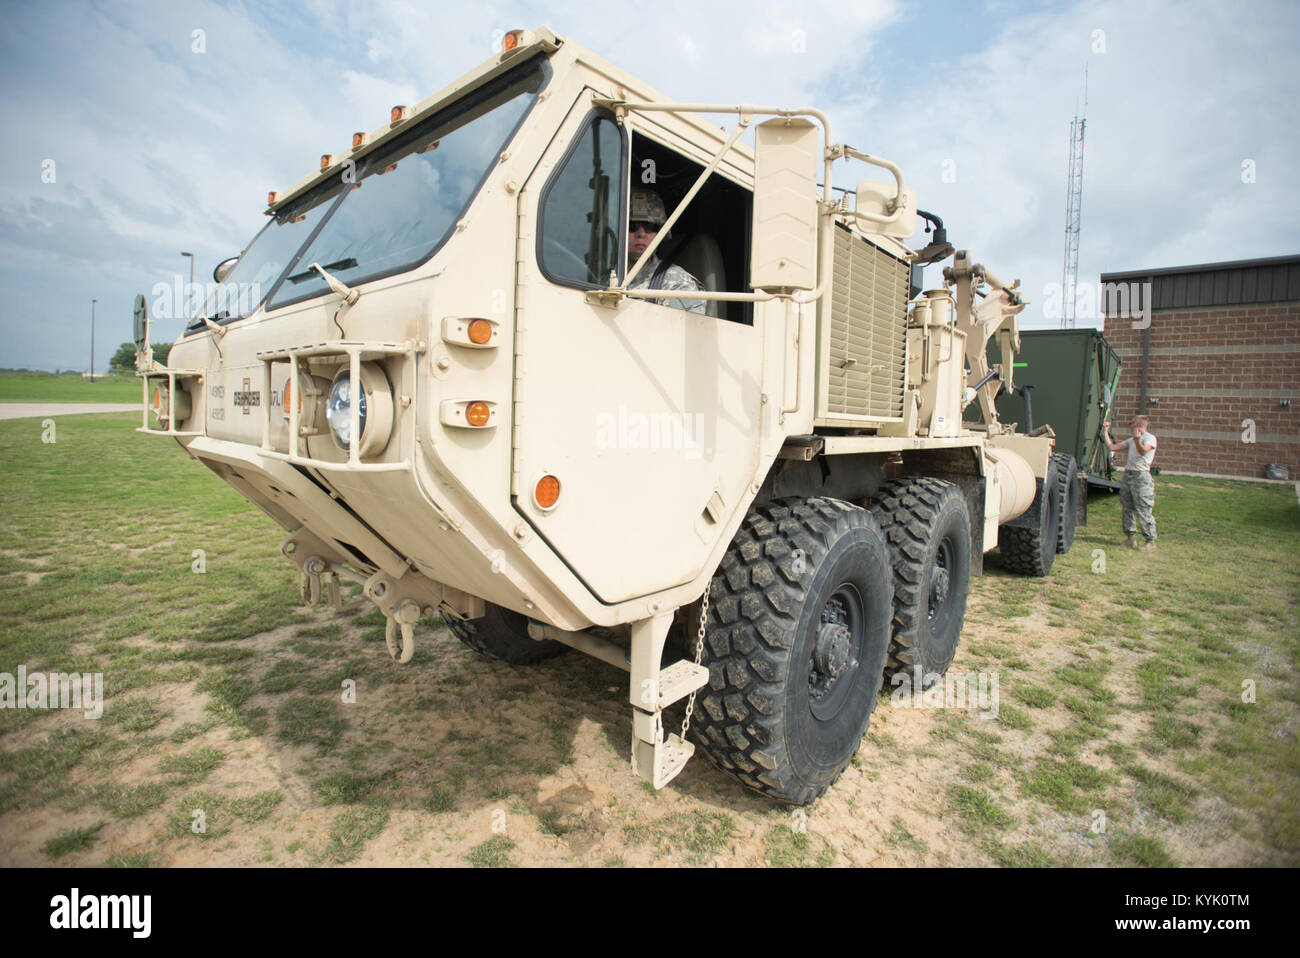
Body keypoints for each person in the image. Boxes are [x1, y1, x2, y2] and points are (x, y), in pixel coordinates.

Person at [626, 188, 706, 314]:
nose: (640, 234)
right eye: (632, 226)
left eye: (649, 227)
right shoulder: (599, 277)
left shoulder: (676, 283)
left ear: (660, 233)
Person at [1102, 415, 1158, 552]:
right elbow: (1112, 447)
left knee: (1143, 509)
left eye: (1132, 423)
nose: (1130, 424)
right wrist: (1105, 431)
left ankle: (1150, 541)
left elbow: (1143, 451)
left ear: (1138, 425)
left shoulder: (1149, 438)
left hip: (1141, 477)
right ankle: (1130, 538)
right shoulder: (1131, 440)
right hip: (1128, 476)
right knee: (1127, 507)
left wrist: (1137, 439)